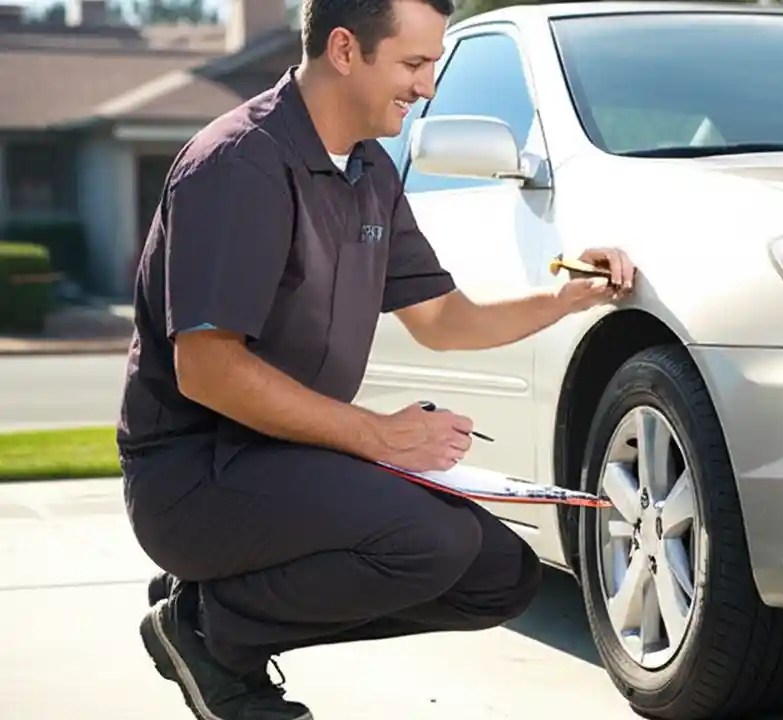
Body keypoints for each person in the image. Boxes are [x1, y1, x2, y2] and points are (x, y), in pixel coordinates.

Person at [116, 0, 636, 717]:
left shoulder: (369, 171)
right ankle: (212, 635)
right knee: (428, 540)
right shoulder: (239, 166)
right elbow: (207, 369)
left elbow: (445, 320)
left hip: (293, 459)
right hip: (196, 478)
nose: (427, 88)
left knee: (499, 575)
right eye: (414, 64)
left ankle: (214, 622)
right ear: (343, 48)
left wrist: (565, 298)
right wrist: (378, 436)